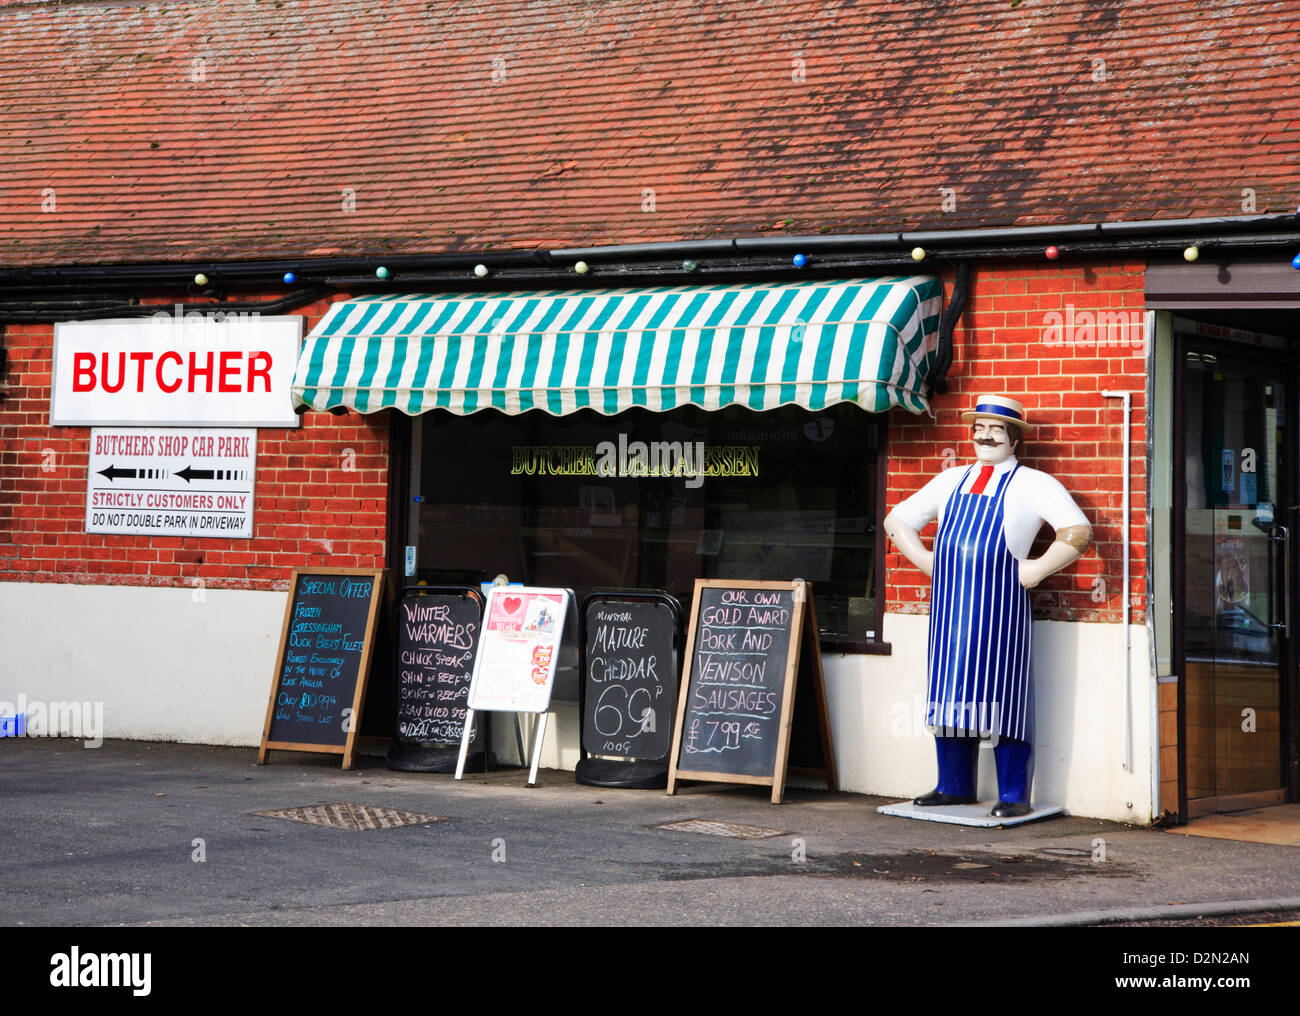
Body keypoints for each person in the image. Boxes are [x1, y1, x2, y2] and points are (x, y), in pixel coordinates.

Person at [883, 395, 1091, 818]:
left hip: (1002, 612)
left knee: (1007, 699)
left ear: (1014, 439)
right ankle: (953, 785)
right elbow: (897, 521)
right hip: (949, 611)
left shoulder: (1034, 484)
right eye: (980, 427)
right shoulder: (951, 479)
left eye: (997, 429)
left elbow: (1077, 530)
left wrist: (1035, 570)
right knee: (949, 695)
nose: (985, 435)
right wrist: (927, 561)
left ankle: (1015, 793)